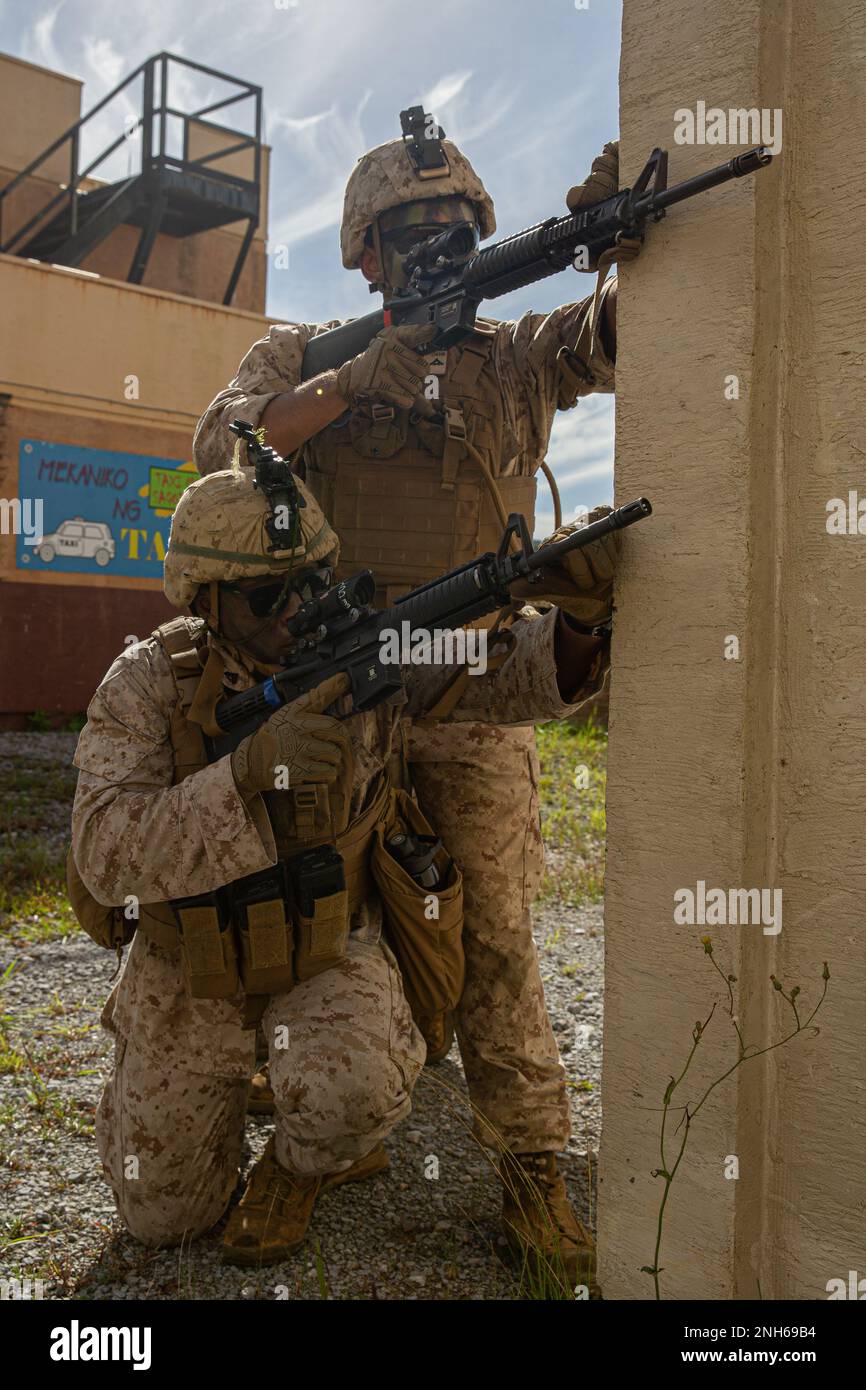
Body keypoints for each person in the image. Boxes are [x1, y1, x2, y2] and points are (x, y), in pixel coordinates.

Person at [191, 123, 631, 1276]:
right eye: (405, 235)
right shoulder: (301, 353)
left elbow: (627, 342)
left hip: (471, 692)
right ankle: (314, 1140)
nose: (432, 247)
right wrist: (348, 385)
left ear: (480, 239)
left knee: (493, 942)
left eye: (451, 232)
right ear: (364, 255)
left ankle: (530, 1168)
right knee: (306, 917)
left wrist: (620, 245)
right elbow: (216, 448)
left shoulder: (519, 355)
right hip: (326, 692)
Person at [70, 461, 619, 1282]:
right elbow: (105, 852)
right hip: (192, 966)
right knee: (164, 1218)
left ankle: (301, 1166)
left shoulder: (365, 655)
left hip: (328, 948)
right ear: (205, 597)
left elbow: (505, 677)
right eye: (268, 597)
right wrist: (246, 774)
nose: (299, 610)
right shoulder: (147, 683)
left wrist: (575, 615)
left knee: (351, 1088)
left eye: (313, 583)